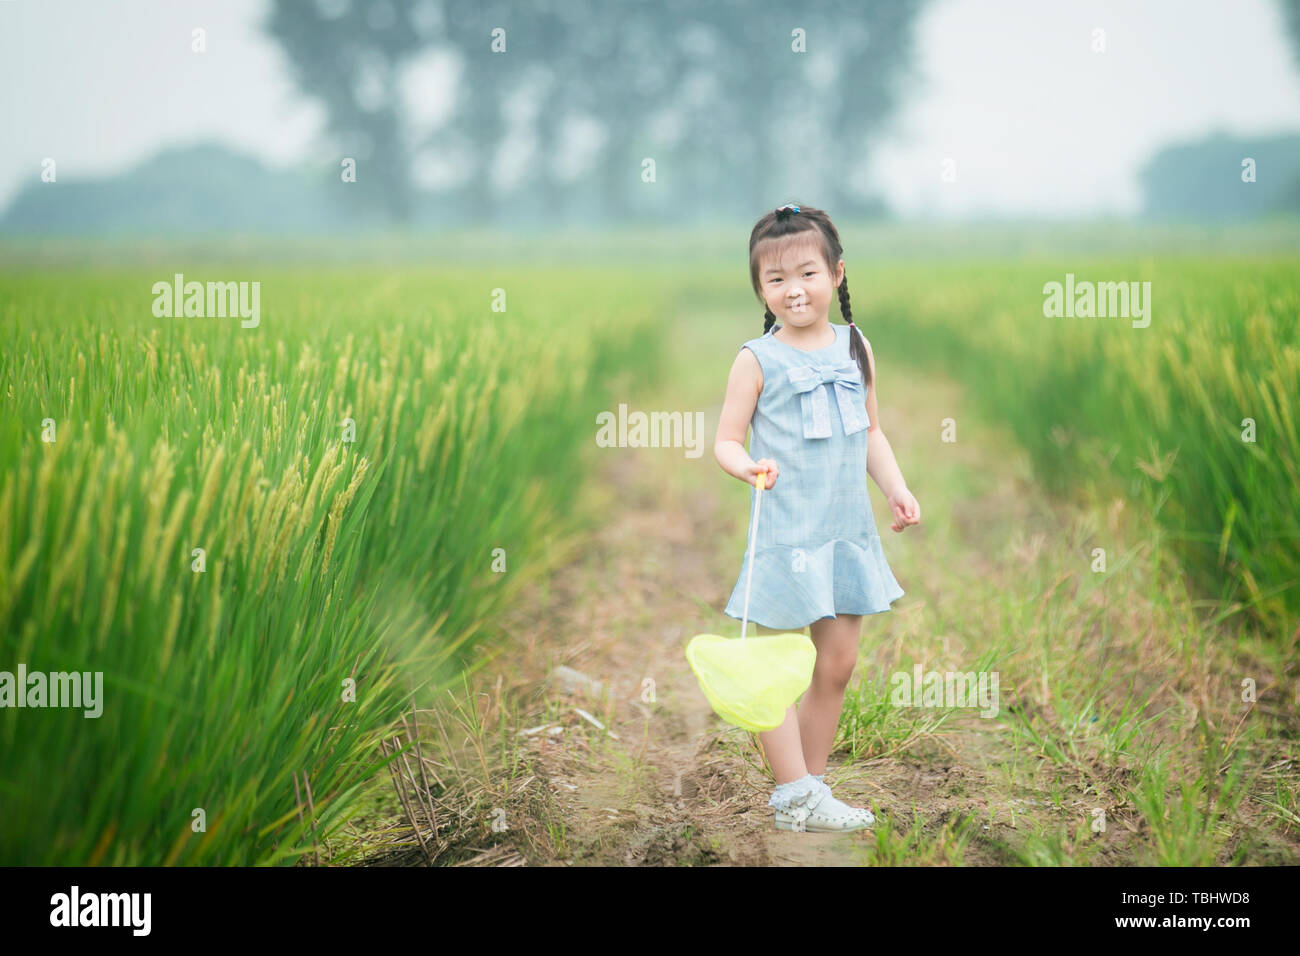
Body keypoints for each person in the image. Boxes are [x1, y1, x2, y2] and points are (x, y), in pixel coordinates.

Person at [713, 202, 921, 832]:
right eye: (775, 280)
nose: (792, 289)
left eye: (806, 273)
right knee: (777, 668)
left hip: (843, 533)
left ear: (836, 274)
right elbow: (724, 439)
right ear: (760, 290)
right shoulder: (756, 358)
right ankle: (795, 794)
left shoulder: (857, 347)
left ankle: (811, 788)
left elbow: (871, 434)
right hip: (784, 535)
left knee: (836, 664)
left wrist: (897, 488)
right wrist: (746, 466)